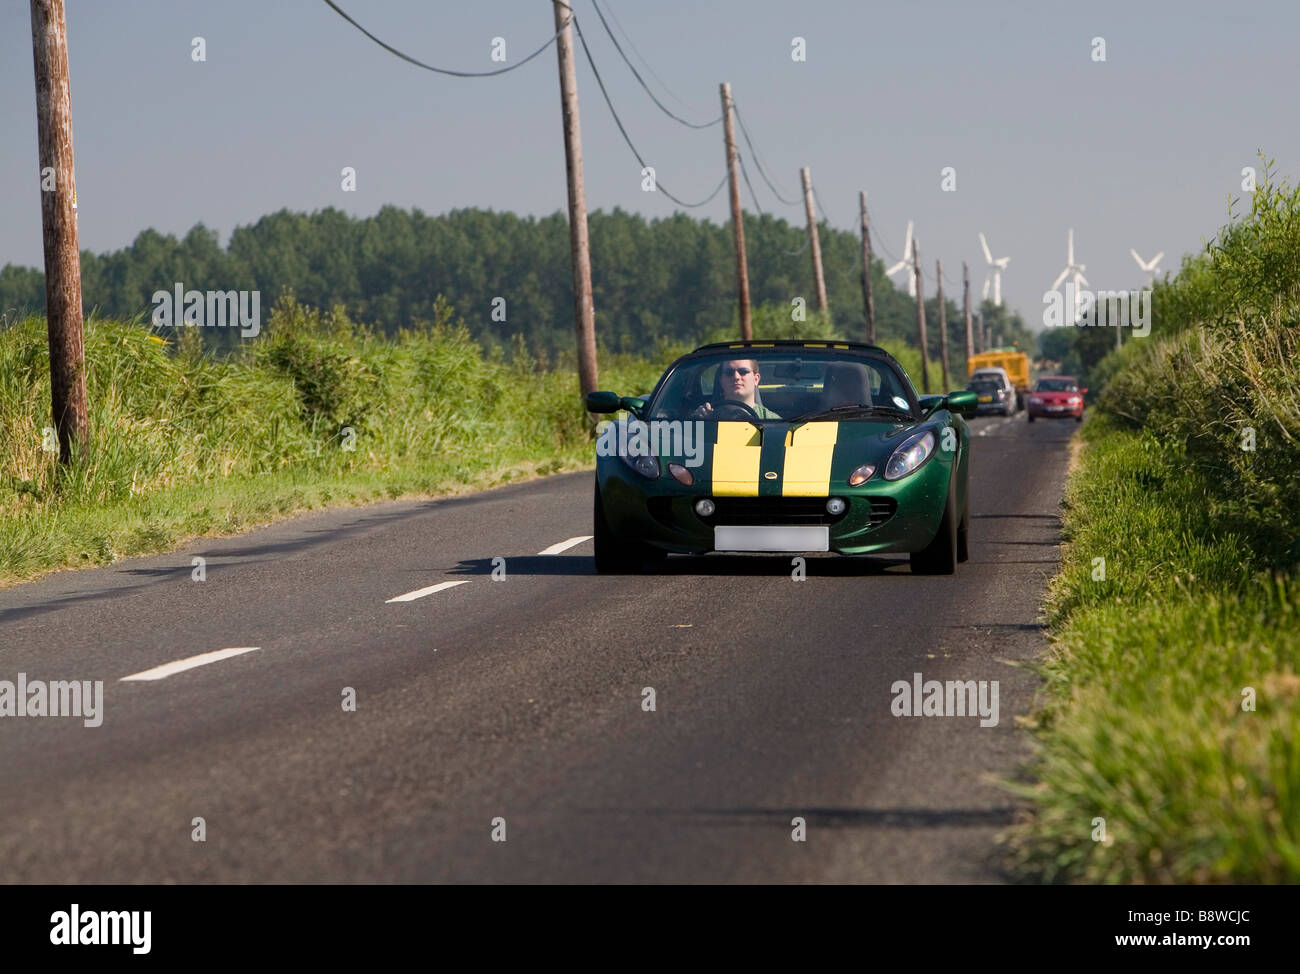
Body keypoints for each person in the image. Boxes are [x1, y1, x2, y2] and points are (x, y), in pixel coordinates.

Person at [693, 358, 781, 419]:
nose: (736, 377)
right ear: (721, 381)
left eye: (743, 372)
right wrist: (697, 420)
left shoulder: (773, 421)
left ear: (756, 379)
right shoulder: (706, 417)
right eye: (729, 373)